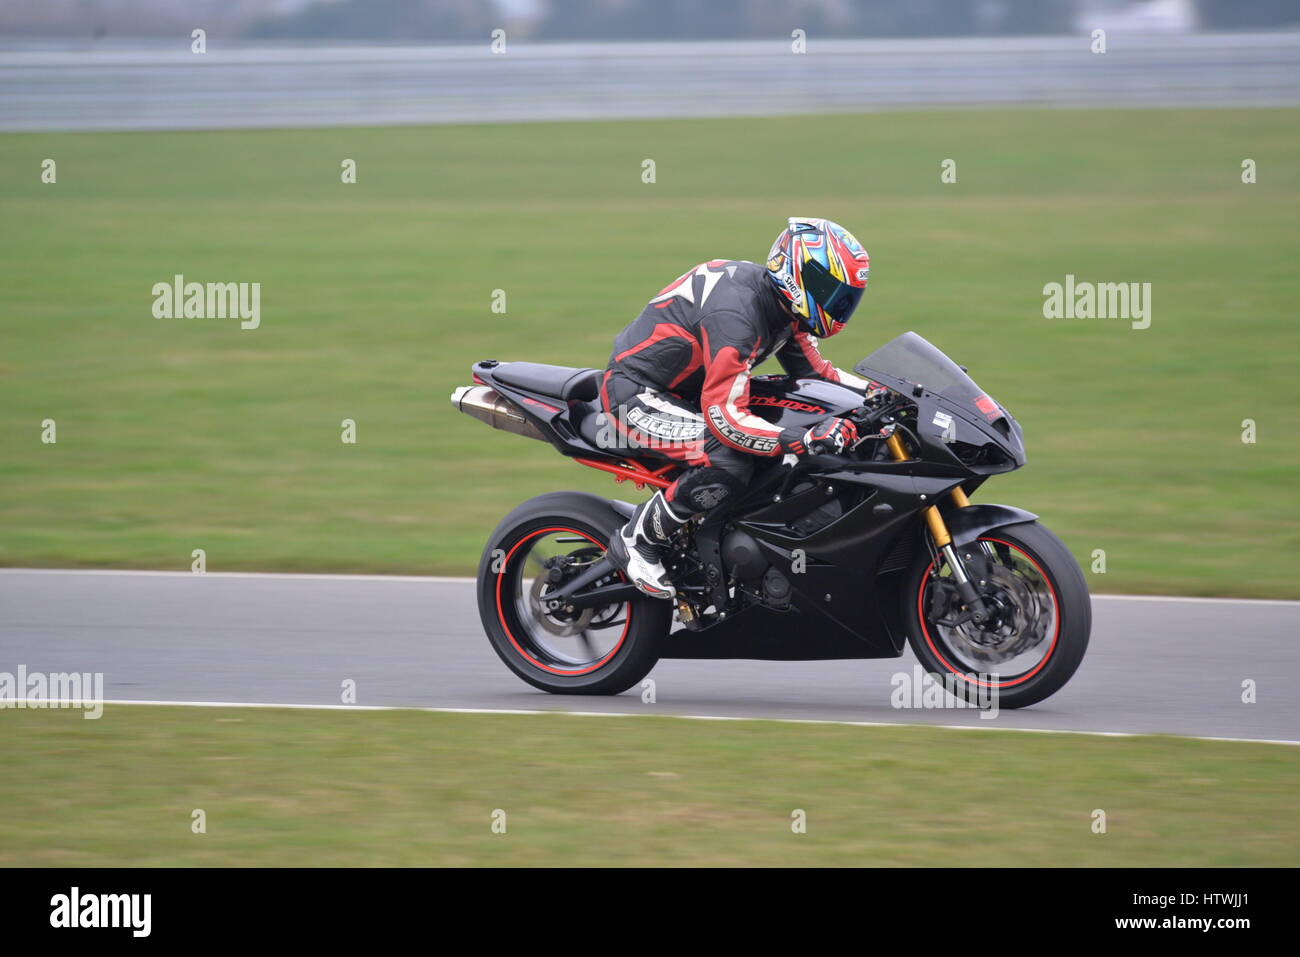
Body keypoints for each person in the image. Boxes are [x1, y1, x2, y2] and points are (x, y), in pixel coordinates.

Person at [603, 217, 876, 599]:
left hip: (690, 394)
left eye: (846, 297)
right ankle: (638, 540)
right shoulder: (737, 319)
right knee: (728, 461)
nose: (838, 305)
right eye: (830, 292)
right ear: (798, 276)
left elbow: (817, 374)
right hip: (636, 394)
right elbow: (725, 420)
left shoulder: (783, 309)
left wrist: (885, 393)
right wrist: (800, 439)